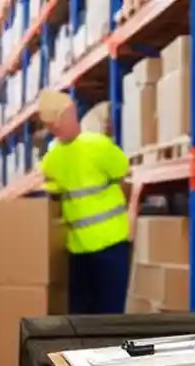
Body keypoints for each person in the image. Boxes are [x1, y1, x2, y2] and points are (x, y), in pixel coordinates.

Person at [36, 90, 132, 315]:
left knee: (87, 317)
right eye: (53, 125)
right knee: (103, 317)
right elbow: (124, 172)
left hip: (97, 248)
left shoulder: (54, 159)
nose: (57, 128)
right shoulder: (93, 146)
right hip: (98, 249)